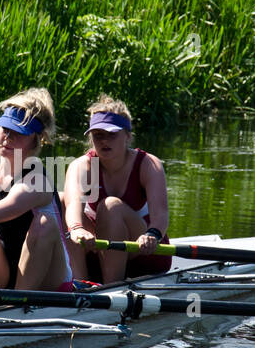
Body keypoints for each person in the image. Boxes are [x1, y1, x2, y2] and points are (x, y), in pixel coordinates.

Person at [0, 88, 73, 292]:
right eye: (4, 129)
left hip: (49, 279)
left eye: (18, 133)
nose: (7, 137)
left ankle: (16, 303)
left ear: (36, 139)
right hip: (2, 271)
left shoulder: (37, 181)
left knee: (44, 224)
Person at [62, 95, 172, 285]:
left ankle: (110, 288)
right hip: (101, 250)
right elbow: (72, 205)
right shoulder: (82, 166)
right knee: (59, 199)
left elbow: (161, 215)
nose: (104, 141)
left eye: (112, 134)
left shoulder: (148, 165)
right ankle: (80, 283)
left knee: (110, 205)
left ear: (128, 136)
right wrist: (77, 229)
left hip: (144, 253)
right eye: (98, 135)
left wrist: (152, 234)